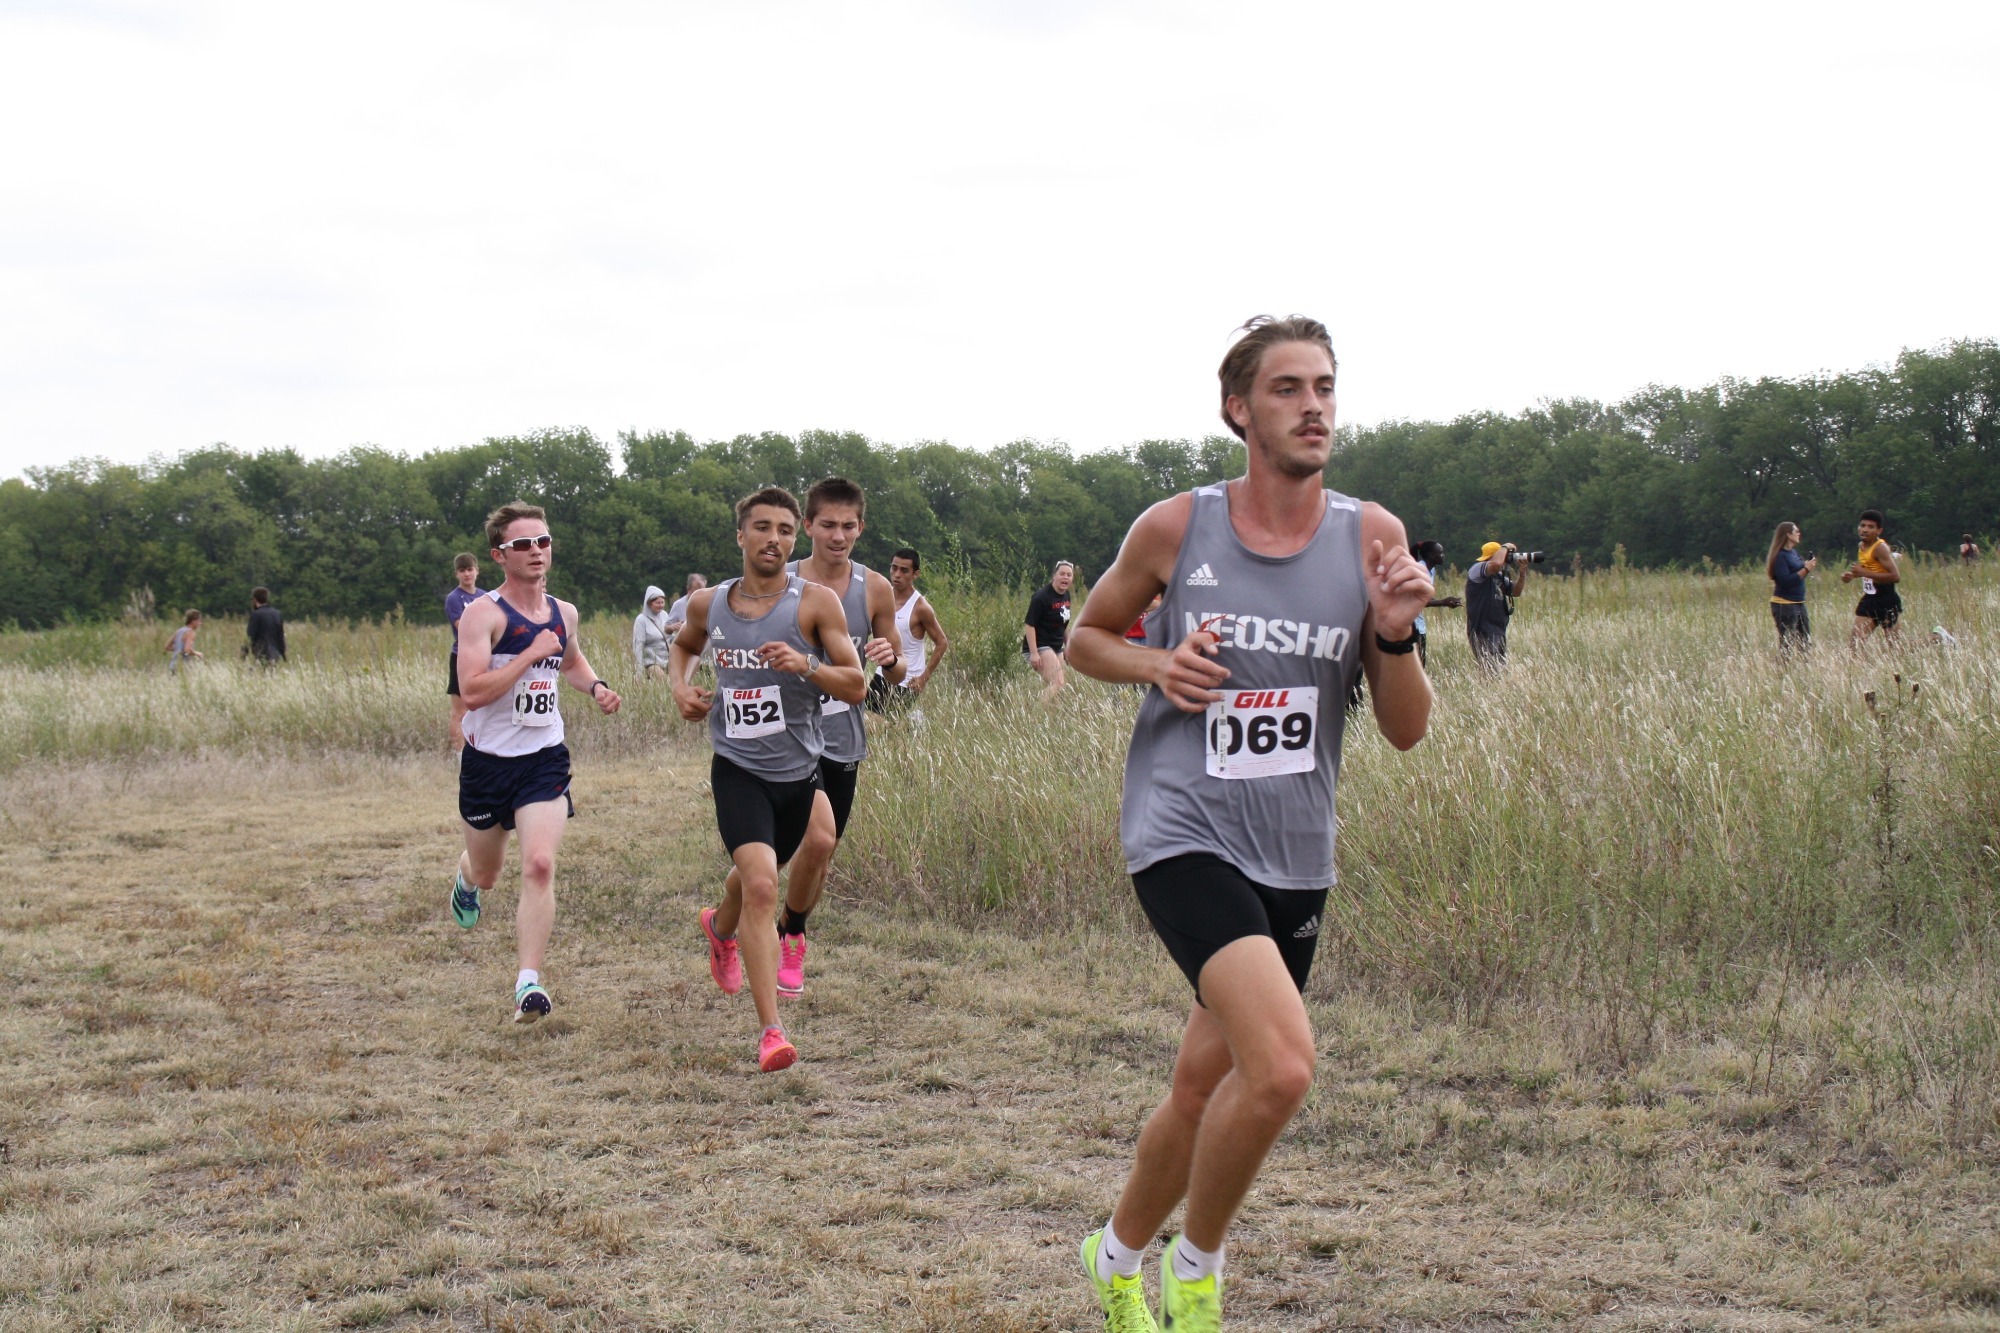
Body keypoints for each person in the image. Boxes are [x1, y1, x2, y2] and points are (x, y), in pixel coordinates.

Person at [1066, 315, 1433, 1331]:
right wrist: (1156, 662)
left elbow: (1403, 730)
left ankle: (1114, 1253)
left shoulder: (1370, 537)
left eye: (1324, 386)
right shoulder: (1177, 528)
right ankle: (1196, 1268)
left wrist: (1394, 633)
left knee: (1201, 1081)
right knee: (1277, 1067)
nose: (1312, 405)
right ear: (1237, 407)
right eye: (1286, 388)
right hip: (1181, 825)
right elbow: (1088, 636)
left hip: (1294, 846)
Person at [670, 486, 865, 1072]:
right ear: (741, 535)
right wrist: (681, 688)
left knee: (751, 880)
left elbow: (856, 685)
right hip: (736, 767)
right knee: (761, 886)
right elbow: (683, 646)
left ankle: (719, 927)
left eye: (784, 529)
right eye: (762, 528)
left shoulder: (815, 604)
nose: (774, 539)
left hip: (799, 771)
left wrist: (806, 664)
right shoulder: (710, 604)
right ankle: (771, 1032)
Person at [449, 503, 621, 1024]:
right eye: (523, 544)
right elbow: (473, 692)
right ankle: (465, 877)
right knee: (489, 870)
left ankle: (529, 983)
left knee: (540, 864)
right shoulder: (483, 614)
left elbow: (568, 661)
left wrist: (594, 686)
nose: (536, 552)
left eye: (542, 541)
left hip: (544, 757)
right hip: (487, 763)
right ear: (500, 555)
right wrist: (528, 655)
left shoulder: (564, 613)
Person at [780, 478, 905, 997]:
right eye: (827, 524)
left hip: (844, 736)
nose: (838, 535)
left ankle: (782, 925)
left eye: (848, 526)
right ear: (807, 525)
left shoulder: (874, 587)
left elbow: (897, 673)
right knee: (809, 839)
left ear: (861, 527)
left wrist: (889, 659)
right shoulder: (779, 579)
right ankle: (785, 937)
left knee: (821, 852)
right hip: (786, 735)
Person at [868, 546, 950, 713]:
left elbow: (942, 642)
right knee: (866, 725)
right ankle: (914, 726)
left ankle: (916, 726)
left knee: (886, 728)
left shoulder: (921, 607)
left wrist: (923, 678)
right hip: (883, 673)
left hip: (907, 680)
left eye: (904, 570)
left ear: (915, 574)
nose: (897, 574)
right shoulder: (883, 598)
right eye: (894, 568)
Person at [1841, 509, 1902, 648]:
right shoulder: (1861, 546)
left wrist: (1863, 572)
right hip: (1870, 598)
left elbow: (1895, 577)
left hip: (1887, 599)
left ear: (1879, 530)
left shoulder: (1880, 548)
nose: (1865, 530)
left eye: (1870, 527)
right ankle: (1857, 670)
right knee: (1855, 646)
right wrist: (1850, 576)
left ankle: (1937, 637)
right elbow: (1868, 569)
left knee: (1897, 650)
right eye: (1862, 526)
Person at [1464, 540, 1527, 668]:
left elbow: (1516, 592)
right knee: (1490, 668)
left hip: (1497, 628)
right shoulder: (1478, 569)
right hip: (1482, 628)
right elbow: (1496, 564)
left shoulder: (1498, 575)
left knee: (1499, 669)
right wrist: (1507, 546)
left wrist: (1522, 574)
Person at [1023, 561, 1077, 699]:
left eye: (1069, 575)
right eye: (1062, 574)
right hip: (1040, 645)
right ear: (1054, 576)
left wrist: (1069, 646)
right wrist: (1034, 653)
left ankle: (1051, 715)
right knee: (1057, 682)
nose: (1065, 577)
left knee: (1062, 687)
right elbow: (1029, 625)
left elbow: (1063, 624)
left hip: (1057, 646)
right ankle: (1036, 714)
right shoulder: (1041, 597)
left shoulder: (1066, 596)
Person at [445, 553, 482, 752]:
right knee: (460, 711)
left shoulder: (485, 597)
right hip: (462, 656)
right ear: (457, 574)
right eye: (462, 570)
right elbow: (463, 627)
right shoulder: (454, 598)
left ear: (477, 571)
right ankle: (460, 755)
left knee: (483, 708)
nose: (467, 574)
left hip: (485, 656)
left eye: (470, 569)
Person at [1765, 522, 1816, 654]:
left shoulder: (1793, 553)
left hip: (1799, 603)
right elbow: (1785, 581)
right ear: (1788, 534)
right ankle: (1781, 670)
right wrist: (1806, 569)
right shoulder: (1780, 556)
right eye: (1796, 531)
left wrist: (1806, 565)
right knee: (1787, 645)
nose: (1799, 533)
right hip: (1784, 605)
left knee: (1805, 643)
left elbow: (1797, 571)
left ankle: (1803, 671)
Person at [1409, 540, 1462, 667]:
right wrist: (1444, 602)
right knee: (1415, 667)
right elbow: (1418, 600)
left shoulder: (1430, 571)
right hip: (1409, 624)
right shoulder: (1419, 571)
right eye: (1440, 553)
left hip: (1418, 624)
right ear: (1431, 555)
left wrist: (1447, 602)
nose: (1443, 555)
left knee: (1420, 664)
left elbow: (1426, 598)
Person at [632, 585, 671, 682]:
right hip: (651, 662)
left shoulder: (665, 615)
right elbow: (638, 645)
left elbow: (670, 637)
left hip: (668, 660)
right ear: (649, 603)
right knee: (665, 683)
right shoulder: (641, 620)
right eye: (658, 603)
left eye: (662, 602)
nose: (661, 605)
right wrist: (639, 670)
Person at [245, 587, 286, 663]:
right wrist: (283, 653)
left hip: (261, 652)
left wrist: (244, 653)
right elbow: (280, 635)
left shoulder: (256, 614)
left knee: (255, 673)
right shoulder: (277, 613)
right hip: (275, 653)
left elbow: (250, 635)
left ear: (255, 599)